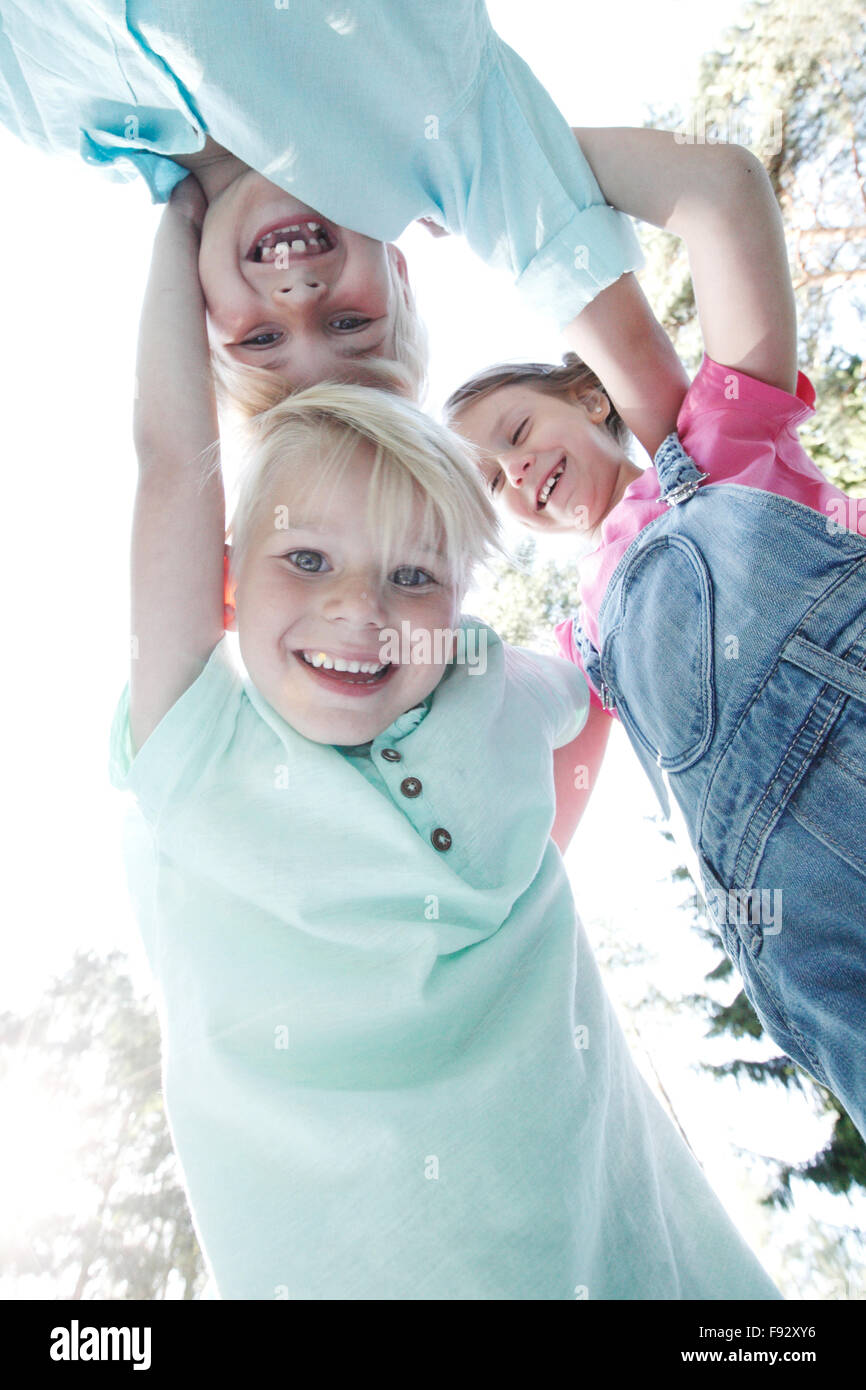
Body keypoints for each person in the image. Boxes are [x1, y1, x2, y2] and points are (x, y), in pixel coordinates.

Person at [106, 179, 781, 1298]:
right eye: (306, 561)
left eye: (412, 576)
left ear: (463, 598)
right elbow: (172, 461)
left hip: (618, 1245)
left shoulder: (496, 685)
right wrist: (175, 227)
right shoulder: (194, 742)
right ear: (226, 587)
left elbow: (630, 612)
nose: (357, 611)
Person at [445, 126, 866, 1140]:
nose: (514, 478)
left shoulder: (715, 442)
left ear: (585, 388)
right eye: (489, 488)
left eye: (509, 434)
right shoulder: (580, 648)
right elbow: (530, 839)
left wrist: (489, 157)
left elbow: (719, 191)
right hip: (814, 958)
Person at [0, 0, 685, 419]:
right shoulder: (422, 100)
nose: (299, 295)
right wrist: (703, 484)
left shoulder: (43, 115)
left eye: (261, 340)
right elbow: (563, 259)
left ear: (199, 319)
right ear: (400, 268)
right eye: (351, 322)